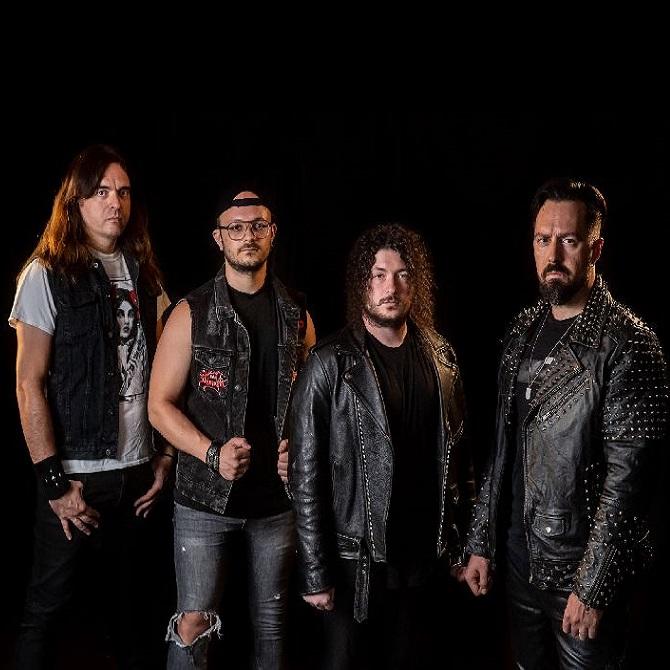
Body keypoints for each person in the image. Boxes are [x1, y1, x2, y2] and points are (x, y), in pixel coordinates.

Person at [464, 178, 669, 669]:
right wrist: (481, 542)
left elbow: (629, 482)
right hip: (519, 565)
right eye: (543, 239)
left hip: (580, 576)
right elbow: (503, 447)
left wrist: (594, 586)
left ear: (595, 248)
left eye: (569, 240)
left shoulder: (628, 344)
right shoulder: (523, 329)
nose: (553, 254)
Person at [10, 144, 173, 668]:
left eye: (122, 192)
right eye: (100, 191)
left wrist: (165, 455)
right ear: (76, 201)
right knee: (47, 610)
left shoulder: (145, 274)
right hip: (76, 476)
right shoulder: (45, 274)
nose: (114, 203)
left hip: (137, 474)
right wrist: (54, 484)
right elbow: (28, 385)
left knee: (131, 613)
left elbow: (169, 372)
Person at [288, 223, 474, 670]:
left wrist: (462, 547)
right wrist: (315, 571)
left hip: (423, 560)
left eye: (402, 275)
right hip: (354, 561)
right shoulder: (329, 363)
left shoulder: (442, 358)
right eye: (378, 275)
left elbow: (460, 461)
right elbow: (305, 475)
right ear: (363, 283)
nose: (391, 287)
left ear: (415, 282)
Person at [148, 189, 316, 669]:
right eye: (236, 228)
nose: (248, 236)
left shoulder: (298, 315)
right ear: (218, 238)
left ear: (272, 233)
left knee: (273, 627)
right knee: (192, 624)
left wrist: (298, 447)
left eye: (258, 225)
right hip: (204, 501)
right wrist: (211, 452)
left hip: (275, 504)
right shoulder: (191, 312)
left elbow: (313, 404)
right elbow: (158, 406)